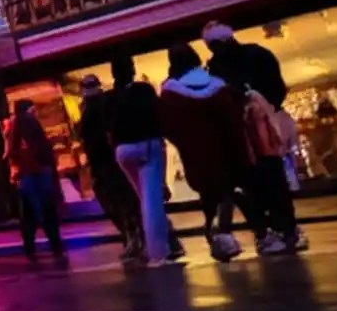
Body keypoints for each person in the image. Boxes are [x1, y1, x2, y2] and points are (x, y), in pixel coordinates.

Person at [203, 21, 305, 253]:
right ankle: (287, 229)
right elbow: (278, 88)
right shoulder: (259, 54)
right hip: (266, 131)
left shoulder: (217, 68)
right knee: (275, 179)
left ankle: (270, 232)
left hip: (243, 137)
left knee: (254, 184)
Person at [159, 43, 263, 262]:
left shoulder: (171, 94)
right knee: (229, 192)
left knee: (209, 197)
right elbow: (233, 121)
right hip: (225, 153)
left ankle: (215, 235)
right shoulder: (218, 87)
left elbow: (168, 127)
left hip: (197, 157)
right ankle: (231, 234)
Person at [108, 56, 179, 266]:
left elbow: (108, 131)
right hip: (146, 145)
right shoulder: (143, 91)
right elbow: (157, 116)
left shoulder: (110, 98)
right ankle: (158, 253)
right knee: (152, 200)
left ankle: (164, 243)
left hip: (123, 150)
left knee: (144, 197)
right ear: (132, 70)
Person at [77, 75, 145, 260]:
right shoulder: (91, 106)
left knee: (121, 201)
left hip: (108, 161)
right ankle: (134, 236)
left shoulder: (98, 106)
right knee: (121, 201)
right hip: (105, 161)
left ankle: (134, 237)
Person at [6, 101, 66, 265]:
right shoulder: (30, 123)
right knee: (47, 211)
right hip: (38, 172)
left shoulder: (12, 129)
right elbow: (42, 149)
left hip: (26, 175)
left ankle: (30, 250)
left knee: (29, 215)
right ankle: (55, 247)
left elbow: (11, 154)